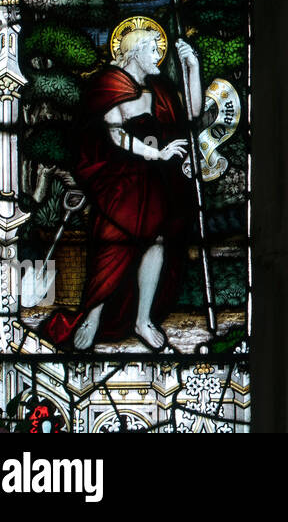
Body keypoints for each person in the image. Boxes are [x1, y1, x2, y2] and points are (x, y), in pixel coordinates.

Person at [41, 18, 200, 350]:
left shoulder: (160, 90)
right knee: (112, 244)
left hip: (155, 184)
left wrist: (192, 67)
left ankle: (142, 319)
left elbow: (193, 114)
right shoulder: (111, 83)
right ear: (134, 52)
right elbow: (114, 134)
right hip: (120, 182)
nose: (158, 57)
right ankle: (93, 316)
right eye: (154, 51)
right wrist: (156, 154)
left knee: (155, 241)